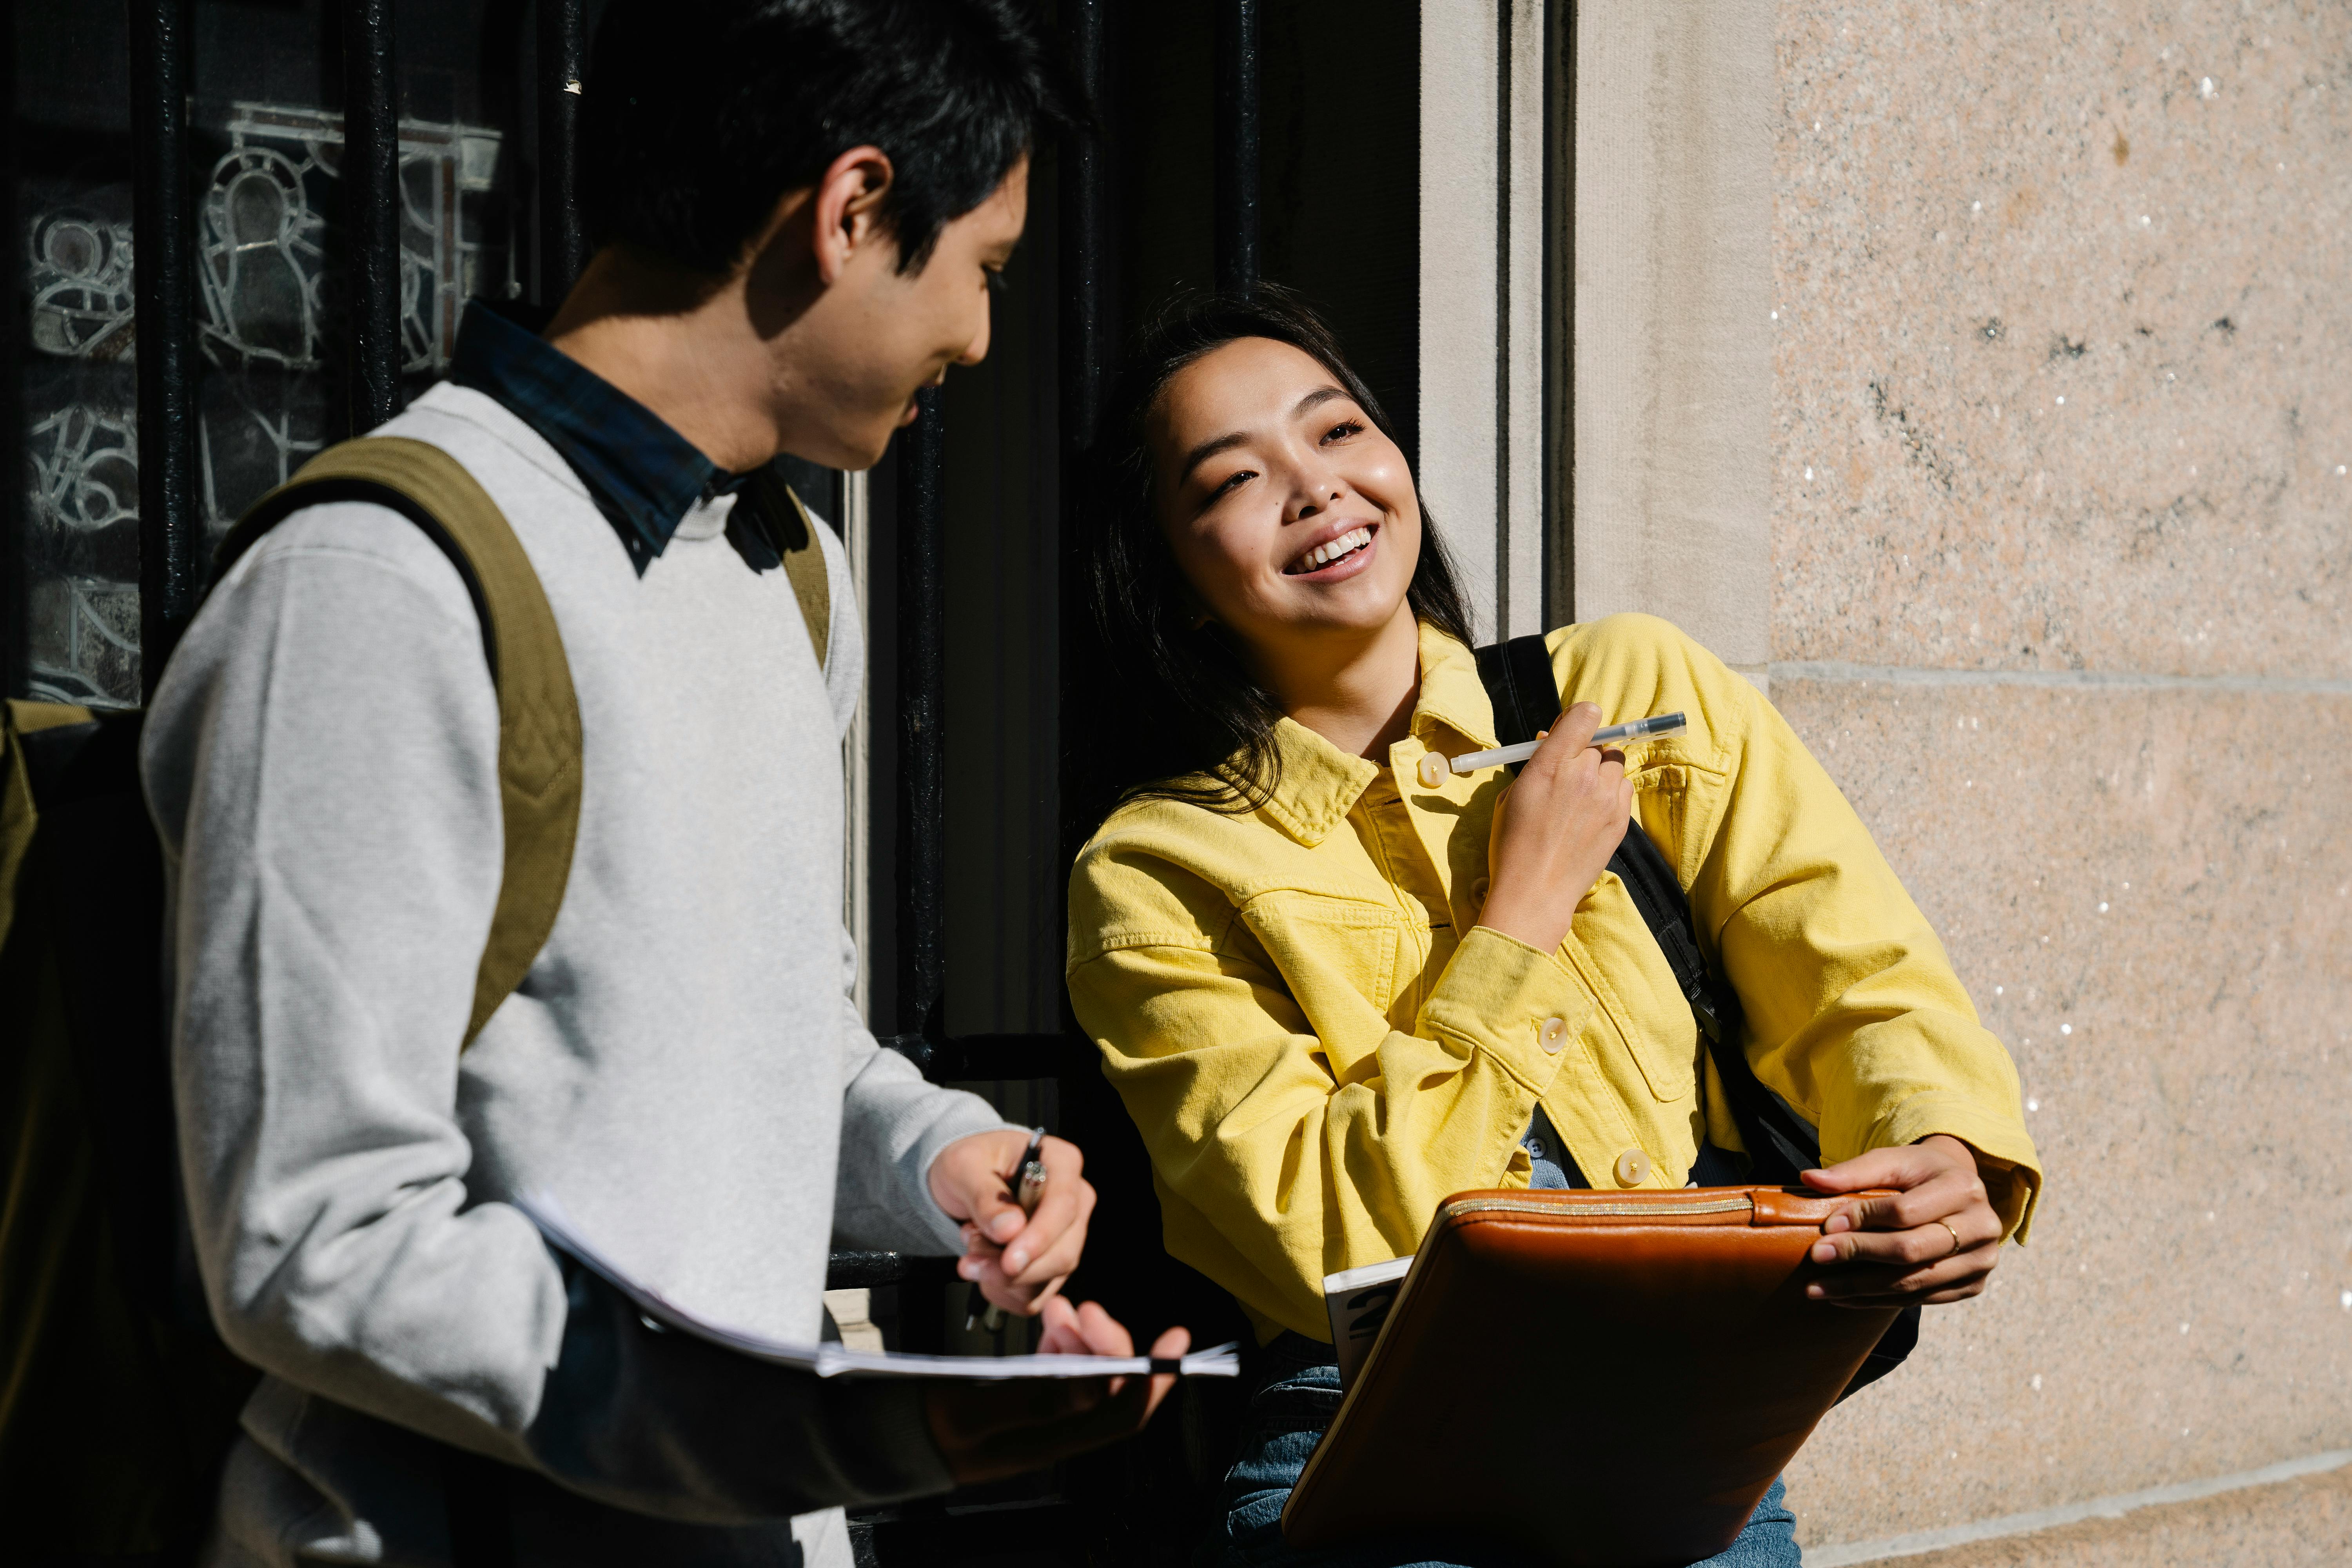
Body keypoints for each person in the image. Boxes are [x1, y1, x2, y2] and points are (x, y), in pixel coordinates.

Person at [141, 4, 1183, 1564]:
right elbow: (313, 1236)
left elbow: (770, 1046)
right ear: (849, 211)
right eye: (987, 268)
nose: (980, 336)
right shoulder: (379, 581)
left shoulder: (792, 573)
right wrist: (843, 1423)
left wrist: (935, 1158)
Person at [1062, 287, 2045, 1568]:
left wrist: (1947, 1151)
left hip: (1694, 1450)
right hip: (1372, 1459)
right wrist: (1518, 916)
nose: (1318, 489)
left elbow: (1855, 968)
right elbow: (1328, 1239)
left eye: (1339, 431)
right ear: (1175, 578)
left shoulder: (1629, 689)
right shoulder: (1158, 867)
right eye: (1236, 479)